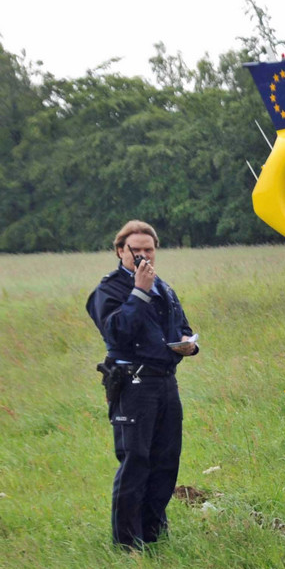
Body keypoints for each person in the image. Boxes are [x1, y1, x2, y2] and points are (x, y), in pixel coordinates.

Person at [86, 221, 199, 549]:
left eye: (149, 249)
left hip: (166, 383)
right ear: (120, 251)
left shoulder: (163, 287)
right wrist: (138, 291)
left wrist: (188, 342)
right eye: (136, 250)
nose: (143, 255)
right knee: (136, 461)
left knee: (166, 461)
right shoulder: (109, 290)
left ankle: (153, 536)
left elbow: (182, 325)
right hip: (133, 385)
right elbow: (116, 333)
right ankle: (126, 546)